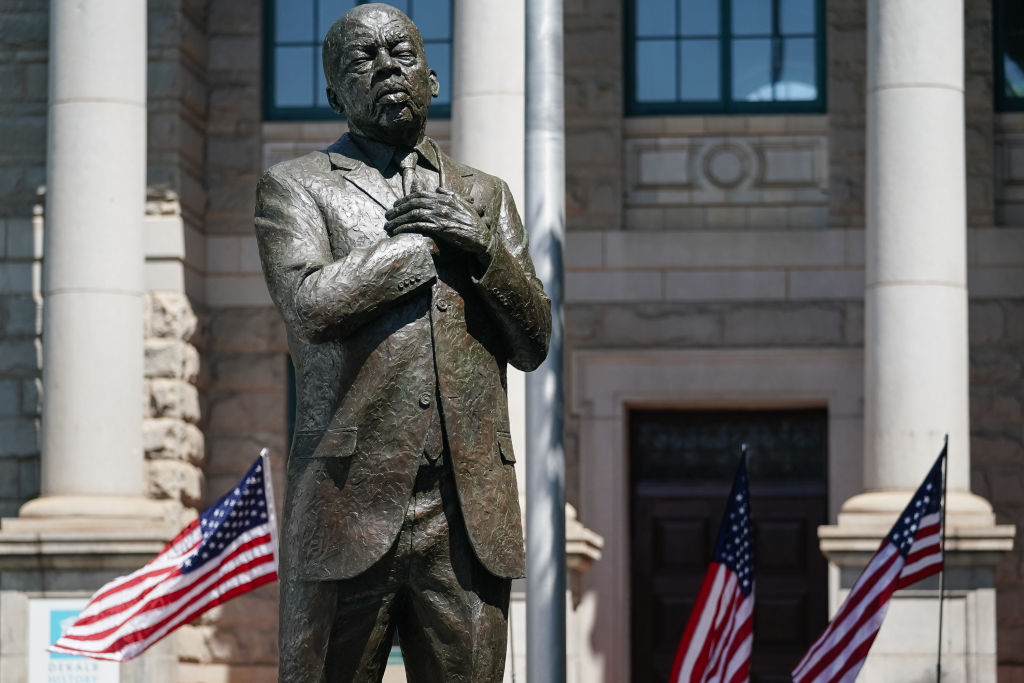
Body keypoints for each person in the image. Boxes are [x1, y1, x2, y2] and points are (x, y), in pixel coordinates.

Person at [253, 4, 551, 682]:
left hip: (467, 515)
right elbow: (310, 304)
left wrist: (479, 250)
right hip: (347, 502)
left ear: (433, 77)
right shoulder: (297, 186)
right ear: (334, 94)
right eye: (363, 59)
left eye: (401, 52)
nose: (386, 66)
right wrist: (421, 248)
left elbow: (533, 341)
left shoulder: (486, 196)